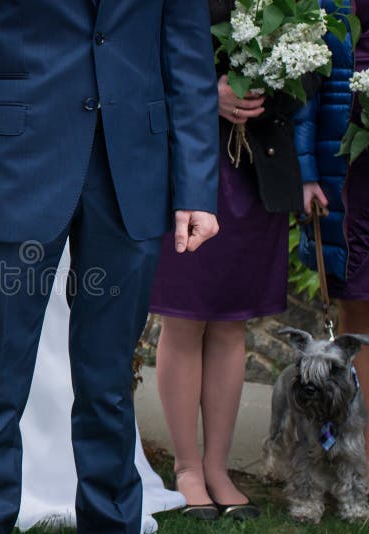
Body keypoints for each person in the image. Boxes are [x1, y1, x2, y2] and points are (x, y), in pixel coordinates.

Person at [0, 0, 221, 532]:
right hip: (19, 165)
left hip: (134, 172)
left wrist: (196, 184)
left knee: (108, 385)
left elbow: (189, 57)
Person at [149, 0, 307, 521]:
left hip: (256, 164)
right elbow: (141, 51)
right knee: (185, 316)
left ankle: (217, 467)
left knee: (231, 323)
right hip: (192, 161)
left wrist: (281, 72)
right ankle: (188, 468)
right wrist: (206, 94)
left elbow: (313, 63)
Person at [0, 242, 187, 533]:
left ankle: (110, 521)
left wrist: (195, 197)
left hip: (123, 206)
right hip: (17, 204)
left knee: (108, 384)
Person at [295, 0, 369, 474]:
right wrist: (304, 172)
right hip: (346, 171)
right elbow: (304, 89)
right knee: (356, 324)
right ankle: (358, 461)